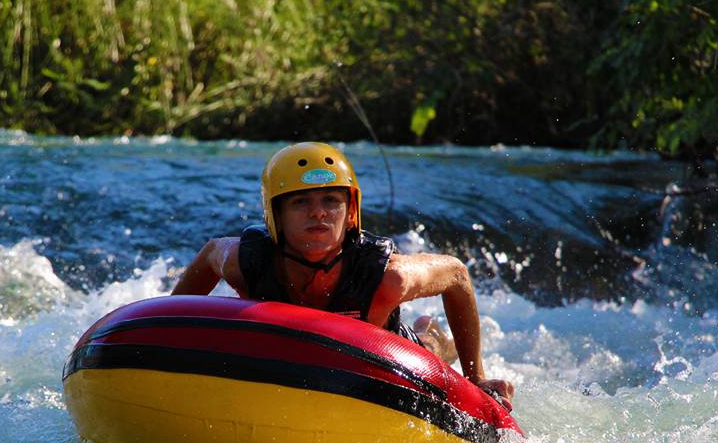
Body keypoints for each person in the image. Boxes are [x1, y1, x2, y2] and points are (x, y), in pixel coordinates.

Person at [171, 142, 515, 407]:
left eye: (331, 201)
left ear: (351, 213)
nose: (318, 212)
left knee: (429, 344)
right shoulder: (245, 262)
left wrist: (476, 377)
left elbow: (456, 274)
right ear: (275, 216)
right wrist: (170, 334)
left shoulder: (389, 275)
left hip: (388, 351)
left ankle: (433, 335)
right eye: (300, 202)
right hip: (286, 353)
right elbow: (210, 252)